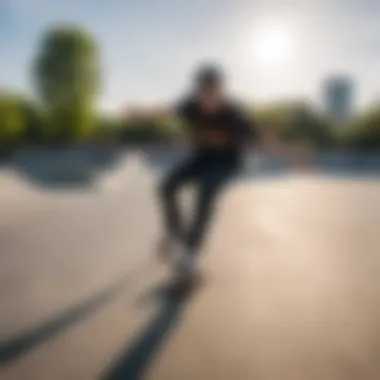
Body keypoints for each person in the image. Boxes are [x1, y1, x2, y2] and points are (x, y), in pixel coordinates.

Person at [158, 63, 300, 282]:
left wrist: (288, 152)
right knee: (166, 186)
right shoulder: (189, 105)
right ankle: (175, 234)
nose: (208, 103)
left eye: (213, 96)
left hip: (228, 162)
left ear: (221, 92)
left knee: (205, 191)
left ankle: (190, 255)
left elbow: (259, 138)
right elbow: (167, 112)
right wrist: (140, 113)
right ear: (197, 91)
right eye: (203, 96)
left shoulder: (235, 113)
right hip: (200, 157)